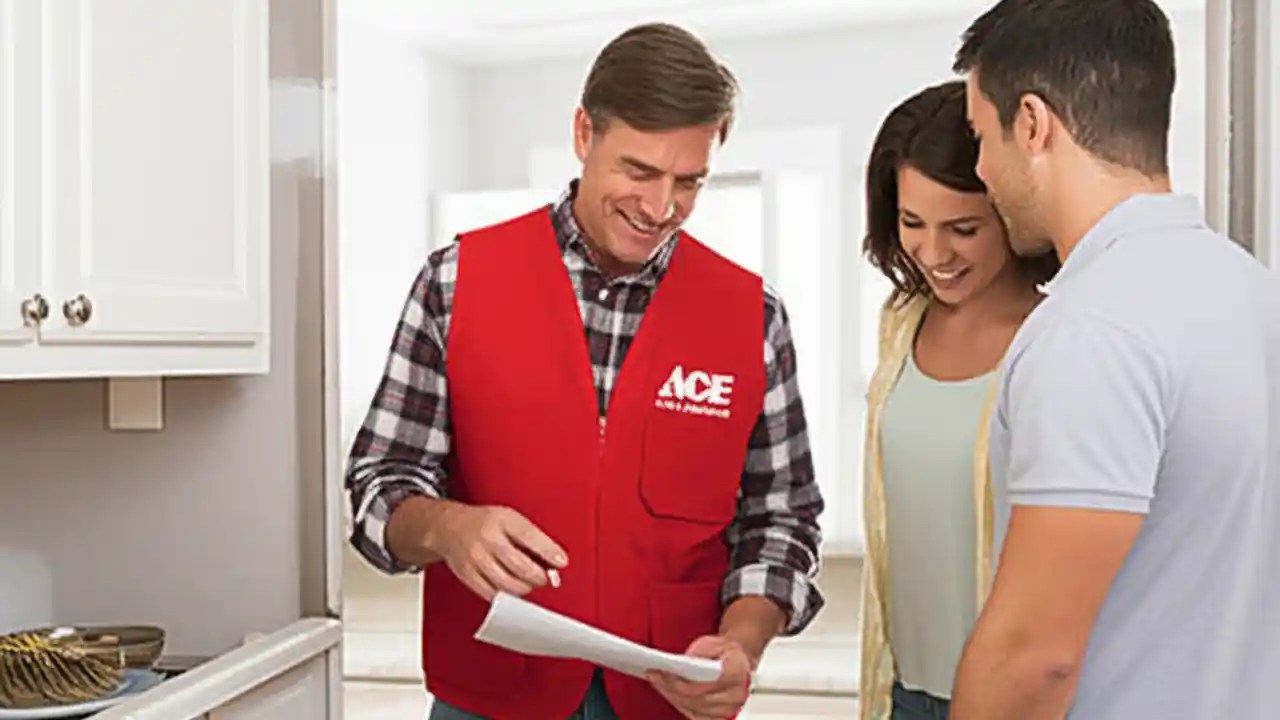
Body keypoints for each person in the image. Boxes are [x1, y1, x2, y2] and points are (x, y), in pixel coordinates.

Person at [342, 22, 826, 720]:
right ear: (582, 134)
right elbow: (378, 483)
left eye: (688, 181)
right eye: (639, 171)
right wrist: (450, 528)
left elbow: (783, 519)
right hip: (486, 699)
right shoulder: (455, 284)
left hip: (667, 706)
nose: (661, 208)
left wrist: (740, 645)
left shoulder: (754, 318)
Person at [948, 1, 1280, 718]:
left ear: (1032, 124)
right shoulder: (1251, 293)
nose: (980, 167)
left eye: (981, 136)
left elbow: (1033, 657)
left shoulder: (1090, 329)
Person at [857, 81, 1057, 720]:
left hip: (1016, 702)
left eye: (963, 228)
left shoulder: (1060, 341)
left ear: (1011, 211)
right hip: (904, 693)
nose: (934, 254)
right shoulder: (901, 322)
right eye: (912, 223)